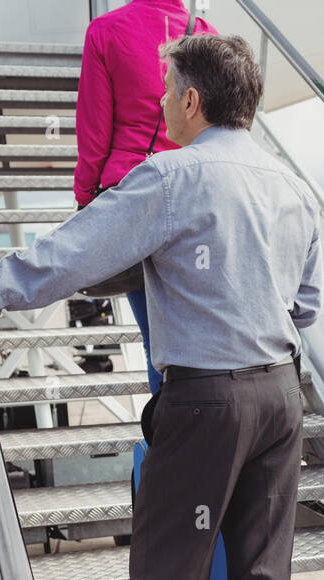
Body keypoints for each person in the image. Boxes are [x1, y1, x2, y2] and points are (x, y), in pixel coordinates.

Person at [0, 34, 323, 580]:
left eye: (169, 91)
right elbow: (307, 303)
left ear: (194, 100)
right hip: (280, 392)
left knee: (174, 550)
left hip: (208, 398)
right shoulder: (290, 185)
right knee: (265, 553)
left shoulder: (171, 177)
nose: (163, 103)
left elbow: (70, 254)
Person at [74, 0, 218, 393]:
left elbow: (94, 126)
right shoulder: (204, 30)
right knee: (191, 335)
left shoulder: (105, 31)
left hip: (133, 196)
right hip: (195, 194)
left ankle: (169, 445)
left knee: (159, 341)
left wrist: (87, 197)